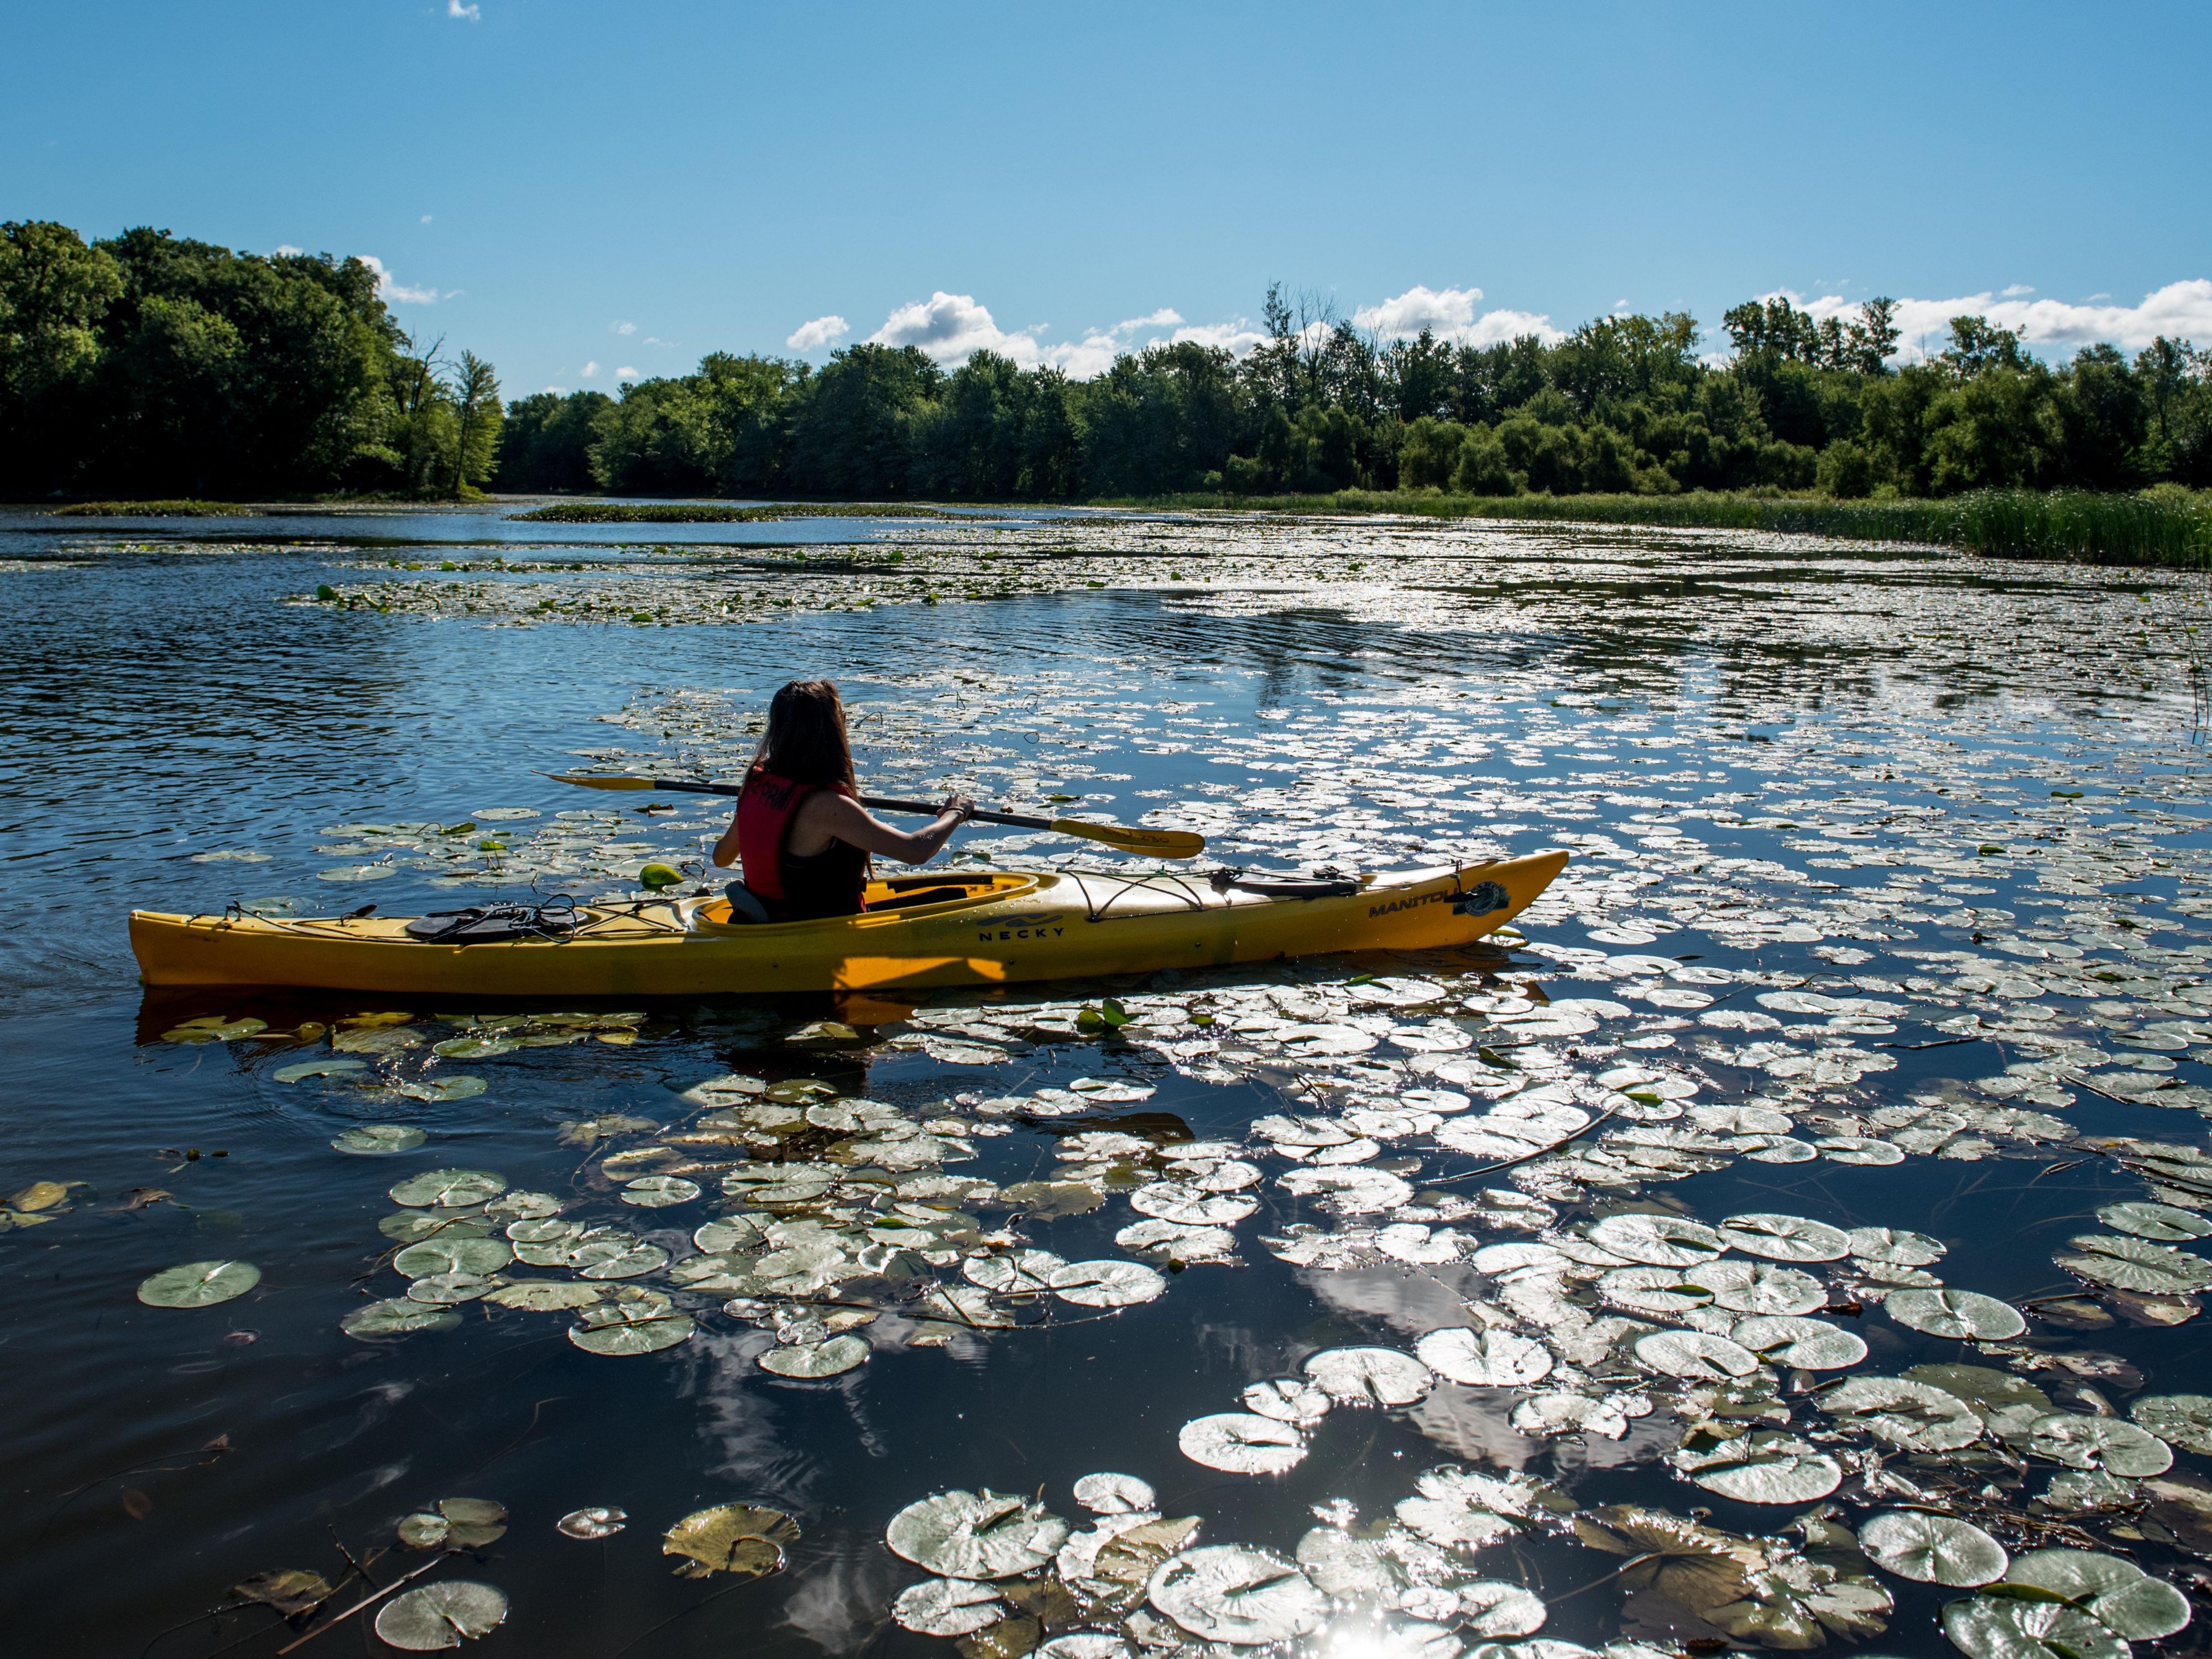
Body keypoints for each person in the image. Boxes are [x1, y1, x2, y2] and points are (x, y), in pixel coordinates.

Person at [711, 680, 973, 921]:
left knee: (949, 897)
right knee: (957, 901)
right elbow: (916, 851)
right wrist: (955, 813)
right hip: (815, 931)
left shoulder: (757, 784)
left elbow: (722, 858)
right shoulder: (828, 806)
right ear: (830, 732)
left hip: (768, 916)